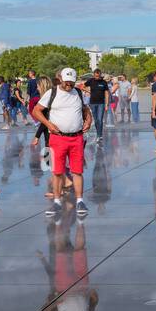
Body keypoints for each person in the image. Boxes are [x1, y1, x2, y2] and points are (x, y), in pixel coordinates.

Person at [34, 67, 92, 217]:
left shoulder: (77, 92)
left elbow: (85, 109)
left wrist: (89, 120)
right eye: (67, 83)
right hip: (58, 138)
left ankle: (80, 200)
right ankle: (57, 202)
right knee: (57, 172)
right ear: (60, 79)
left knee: (77, 171)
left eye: (71, 83)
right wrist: (48, 125)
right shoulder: (52, 93)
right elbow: (36, 111)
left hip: (77, 138)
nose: (69, 86)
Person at [84, 68, 110, 142]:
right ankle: (98, 134)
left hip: (101, 103)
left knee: (100, 120)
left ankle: (100, 135)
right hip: (92, 103)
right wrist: (88, 91)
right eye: (95, 76)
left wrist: (106, 104)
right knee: (96, 120)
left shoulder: (104, 82)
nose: (97, 77)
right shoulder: (91, 81)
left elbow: (106, 93)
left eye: (98, 76)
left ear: (100, 75)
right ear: (94, 75)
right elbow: (82, 86)